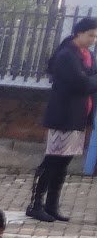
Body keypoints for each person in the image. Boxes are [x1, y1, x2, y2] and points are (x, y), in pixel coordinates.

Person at [29, 15, 97, 222]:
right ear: (78, 33)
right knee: (52, 160)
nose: (93, 39)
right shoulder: (66, 55)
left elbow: (89, 82)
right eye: (90, 35)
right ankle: (35, 204)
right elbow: (81, 84)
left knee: (64, 162)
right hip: (63, 116)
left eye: (95, 36)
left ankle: (52, 205)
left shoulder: (88, 56)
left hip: (79, 116)